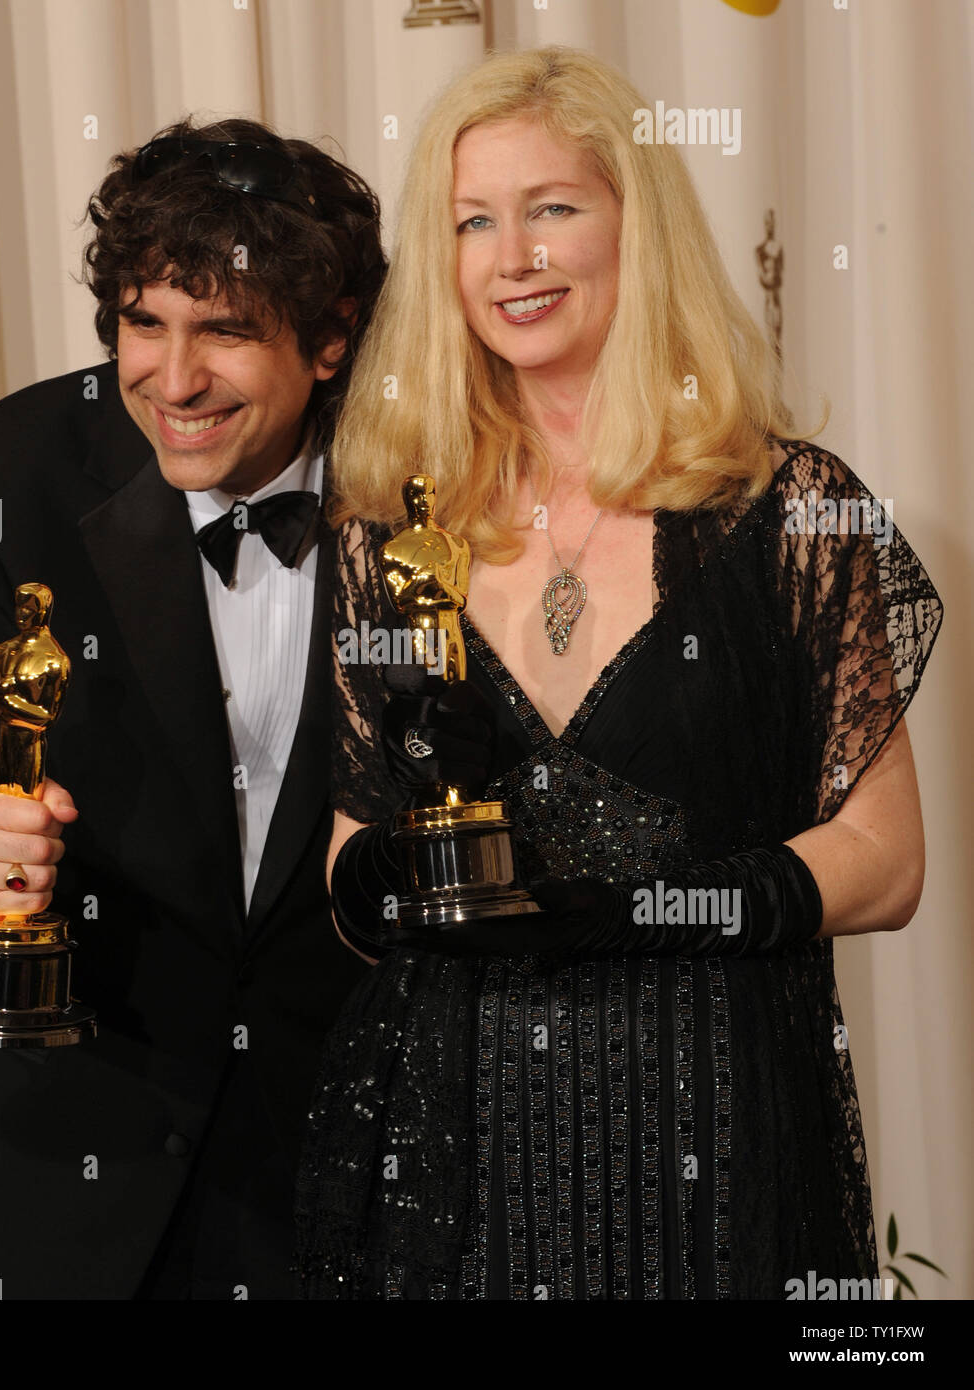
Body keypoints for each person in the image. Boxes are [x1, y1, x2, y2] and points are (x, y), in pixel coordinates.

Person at [293, 47, 944, 1300]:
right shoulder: (390, 524)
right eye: (472, 222)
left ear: (632, 226)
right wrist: (405, 856)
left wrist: (644, 913)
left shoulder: (788, 512)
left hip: (712, 1117)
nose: (510, 257)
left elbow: (887, 858)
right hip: (451, 1141)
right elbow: (346, 864)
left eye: (551, 209)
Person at [0, 116, 385, 1300]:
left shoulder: (432, 488)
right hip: (18, 1209)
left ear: (331, 338)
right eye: (145, 323)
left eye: (224, 332)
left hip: (313, 1209)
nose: (173, 380)